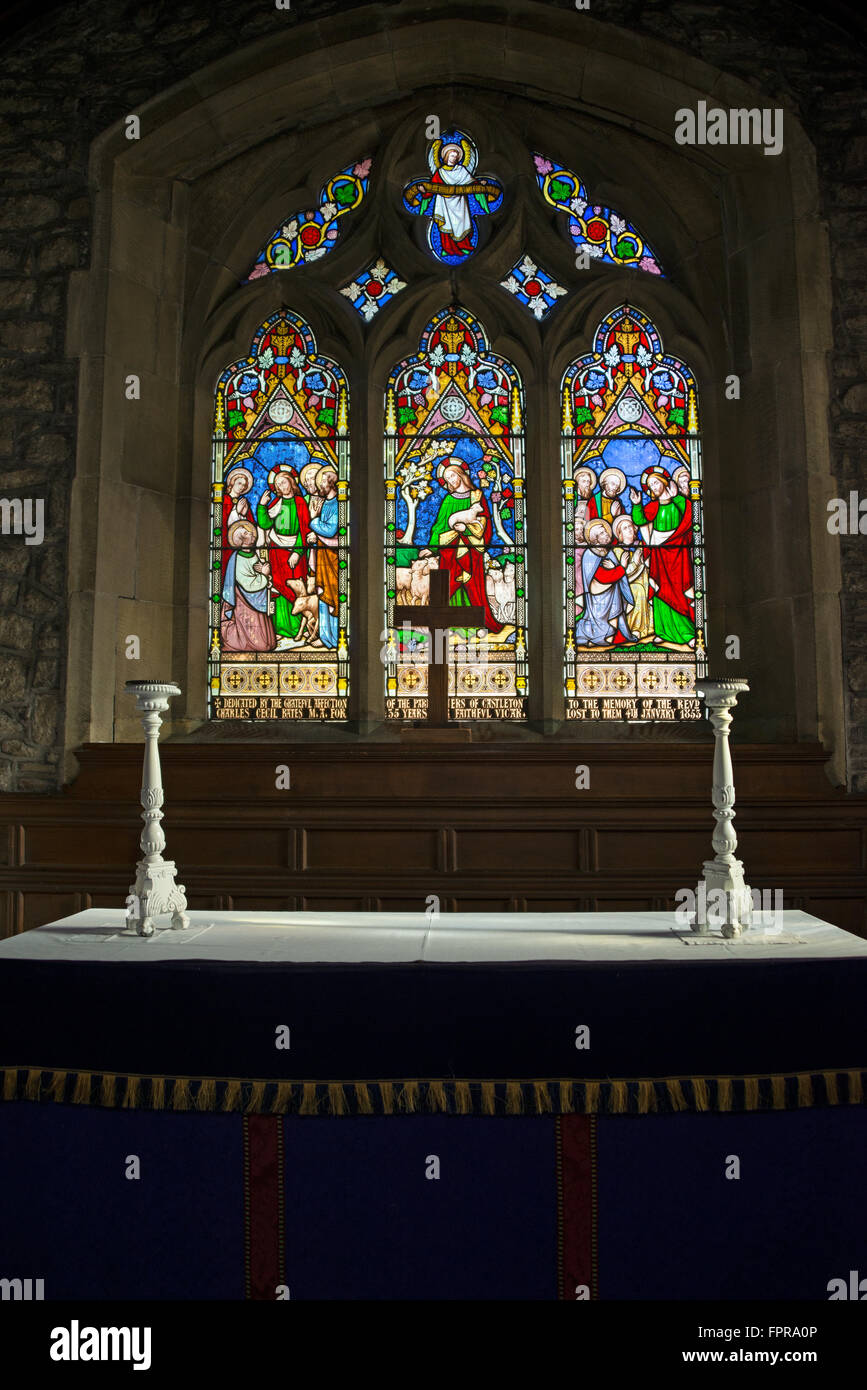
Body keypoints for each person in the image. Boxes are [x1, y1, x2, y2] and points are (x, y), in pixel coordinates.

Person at [429, 459, 507, 635]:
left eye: (452, 476)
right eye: (447, 478)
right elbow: (439, 527)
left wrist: (467, 530)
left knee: (473, 586)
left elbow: (485, 525)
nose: (450, 481)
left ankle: (478, 625)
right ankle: (446, 625)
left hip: (472, 550)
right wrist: (432, 548)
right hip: (449, 550)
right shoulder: (448, 500)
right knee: (447, 585)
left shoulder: (477, 497)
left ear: (460, 474)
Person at [628, 465, 696, 648]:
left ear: (665, 482)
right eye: (650, 485)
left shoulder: (680, 502)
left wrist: (675, 498)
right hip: (659, 555)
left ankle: (687, 632)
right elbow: (641, 520)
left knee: (679, 590)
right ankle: (663, 632)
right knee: (660, 592)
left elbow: (690, 515)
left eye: (656, 482)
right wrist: (636, 504)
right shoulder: (653, 506)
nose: (654, 487)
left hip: (678, 553)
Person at [257, 464, 311, 650]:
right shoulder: (275, 503)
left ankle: (298, 628)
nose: (282, 486)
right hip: (277, 551)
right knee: (278, 589)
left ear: (291, 483)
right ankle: (280, 629)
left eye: (284, 482)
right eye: (278, 483)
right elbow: (264, 524)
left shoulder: (300, 503)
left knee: (296, 590)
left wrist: (297, 552)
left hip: (295, 551)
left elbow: (304, 530)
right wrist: (262, 506)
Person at [575, 519, 635, 646]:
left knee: (615, 614)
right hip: (598, 598)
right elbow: (602, 577)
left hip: (612, 595)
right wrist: (621, 568)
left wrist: (616, 569)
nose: (607, 534)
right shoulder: (590, 555)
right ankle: (596, 637)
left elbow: (613, 576)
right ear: (595, 539)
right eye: (602, 533)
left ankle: (615, 636)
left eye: (606, 532)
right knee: (599, 621)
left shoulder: (609, 552)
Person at [220, 519, 275, 653]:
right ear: (241, 540)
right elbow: (248, 584)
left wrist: (265, 575)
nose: (252, 533)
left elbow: (258, 573)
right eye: (247, 532)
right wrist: (264, 575)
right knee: (260, 643)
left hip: (256, 597)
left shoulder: (253, 554)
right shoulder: (238, 558)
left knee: (268, 643)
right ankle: (246, 642)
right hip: (245, 600)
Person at [306, 464, 341, 650]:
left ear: (331, 483)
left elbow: (331, 529)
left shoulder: (338, 503)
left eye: (323, 481)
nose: (320, 485)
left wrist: (313, 520)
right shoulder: (325, 503)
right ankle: (325, 637)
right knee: (322, 595)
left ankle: (336, 639)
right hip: (322, 555)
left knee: (333, 596)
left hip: (333, 556)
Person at [612, 513, 652, 641]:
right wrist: (634, 561)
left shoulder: (641, 545)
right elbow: (620, 576)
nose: (629, 529)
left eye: (630, 526)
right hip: (624, 588)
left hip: (645, 581)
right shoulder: (617, 551)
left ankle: (648, 627)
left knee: (647, 588)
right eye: (624, 528)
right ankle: (635, 628)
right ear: (619, 534)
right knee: (638, 590)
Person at [221, 467, 253, 578]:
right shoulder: (223, 500)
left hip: (243, 547)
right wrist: (236, 511)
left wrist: (243, 515)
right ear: (232, 483)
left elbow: (251, 527)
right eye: (239, 483)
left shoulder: (244, 502)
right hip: (226, 545)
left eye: (244, 485)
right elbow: (222, 523)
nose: (242, 487)